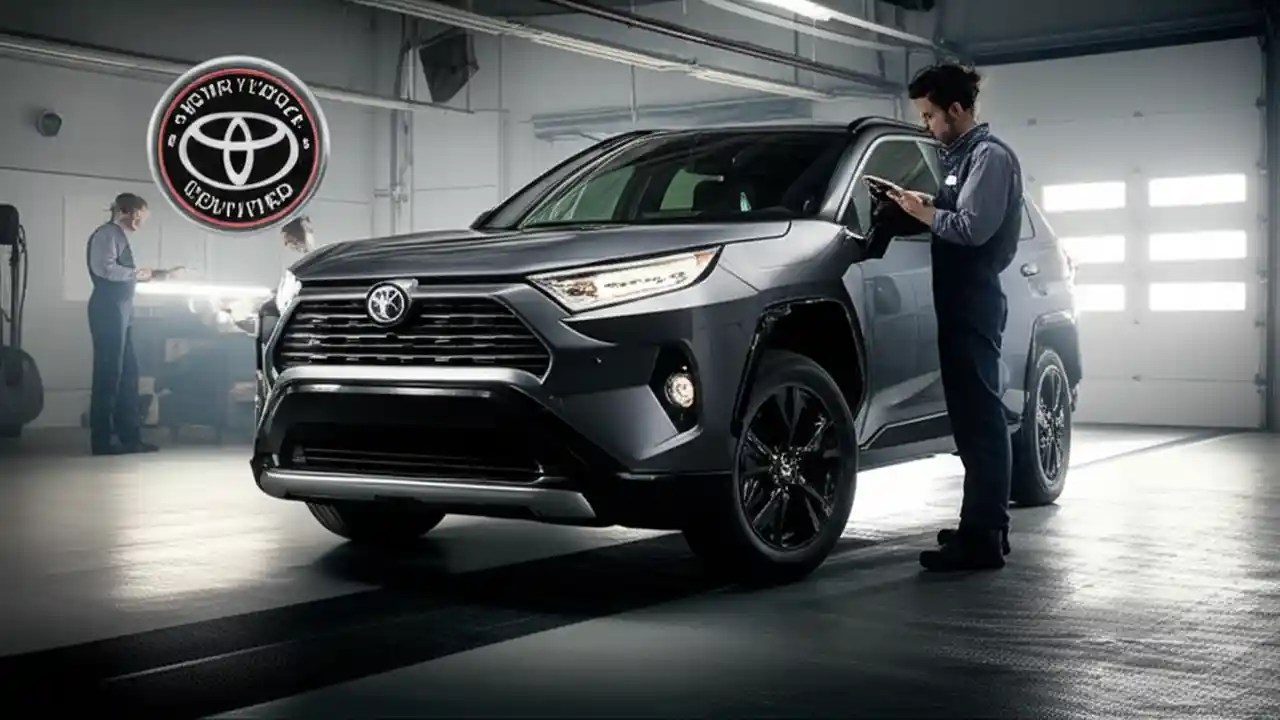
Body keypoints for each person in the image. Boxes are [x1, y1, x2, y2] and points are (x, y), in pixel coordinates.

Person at [887, 64, 1025, 571]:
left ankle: (985, 536)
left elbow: (970, 228)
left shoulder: (989, 158)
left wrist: (921, 211)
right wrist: (926, 202)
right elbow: (957, 210)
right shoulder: (961, 158)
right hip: (958, 298)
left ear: (958, 110)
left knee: (983, 419)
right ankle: (980, 526)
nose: (926, 125)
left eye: (929, 115)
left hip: (974, 297)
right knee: (969, 418)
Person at [87, 193, 160, 455]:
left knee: (129, 374)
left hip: (123, 311)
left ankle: (130, 437)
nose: (142, 220)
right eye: (141, 214)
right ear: (127, 211)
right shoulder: (106, 234)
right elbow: (104, 269)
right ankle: (103, 440)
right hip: (108, 309)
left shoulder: (120, 237)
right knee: (109, 375)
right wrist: (136, 274)